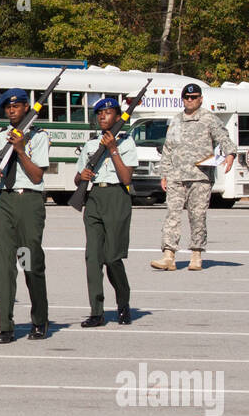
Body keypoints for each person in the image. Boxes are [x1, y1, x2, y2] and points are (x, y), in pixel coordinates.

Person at [0, 88, 50, 343]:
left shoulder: (38, 137)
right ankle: (5, 326)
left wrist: (21, 150)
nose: (12, 110)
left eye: (17, 106)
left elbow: (37, 176)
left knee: (29, 261)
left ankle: (39, 320)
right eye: (8, 107)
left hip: (28, 201)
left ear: (26, 108)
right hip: (5, 201)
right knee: (4, 265)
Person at [150, 83, 237, 271]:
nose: (190, 100)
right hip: (176, 176)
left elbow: (223, 137)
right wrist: (164, 173)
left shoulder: (208, 119)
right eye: (187, 97)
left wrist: (230, 154)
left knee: (197, 216)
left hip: (200, 177)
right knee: (172, 215)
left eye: (194, 97)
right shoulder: (176, 120)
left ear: (200, 99)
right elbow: (168, 148)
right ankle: (168, 255)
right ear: (183, 99)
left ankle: (196, 253)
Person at [75, 97, 138, 327]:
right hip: (94, 199)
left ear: (117, 116)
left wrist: (113, 149)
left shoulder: (126, 142)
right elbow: (77, 176)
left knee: (112, 257)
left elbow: (126, 178)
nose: (103, 116)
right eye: (99, 113)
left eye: (108, 113)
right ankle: (96, 311)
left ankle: (123, 303)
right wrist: (81, 177)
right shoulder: (91, 143)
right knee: (93, 258)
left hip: (117, 197)